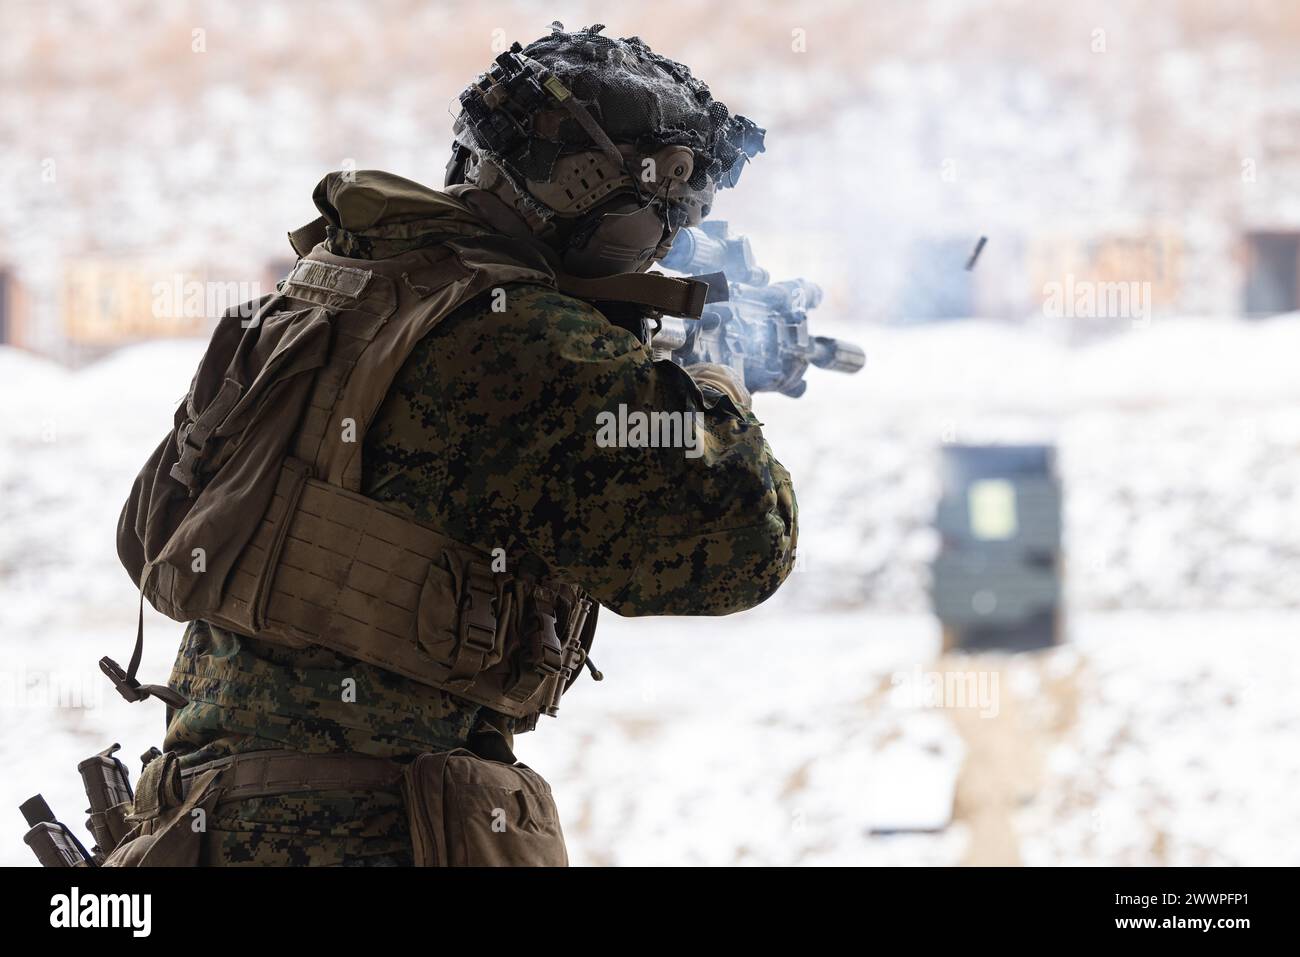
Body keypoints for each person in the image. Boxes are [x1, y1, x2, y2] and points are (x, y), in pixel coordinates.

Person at [108, 23, 796, 866]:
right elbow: (739, 548)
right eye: (662, 216)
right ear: (600, 201)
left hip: (204, 817)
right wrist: (716, 385)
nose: (663, 241)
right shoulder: (530, 341)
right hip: (358, 831)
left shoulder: (340, 283)